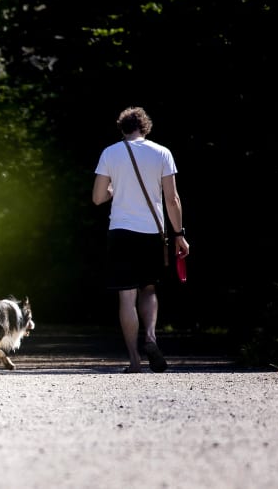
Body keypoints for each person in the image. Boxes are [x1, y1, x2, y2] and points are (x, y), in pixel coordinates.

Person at [91, 106, 189, 373]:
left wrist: (115, 188)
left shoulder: (110, 153)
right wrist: (179, 235)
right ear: (145, 127)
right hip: (152, 232)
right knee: (149, 289)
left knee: (126, 296)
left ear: (122, 128)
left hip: (121, 231)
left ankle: (134, 360)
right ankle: (150, 338)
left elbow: (98, 197)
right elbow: (172, 199)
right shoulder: (162, 153)